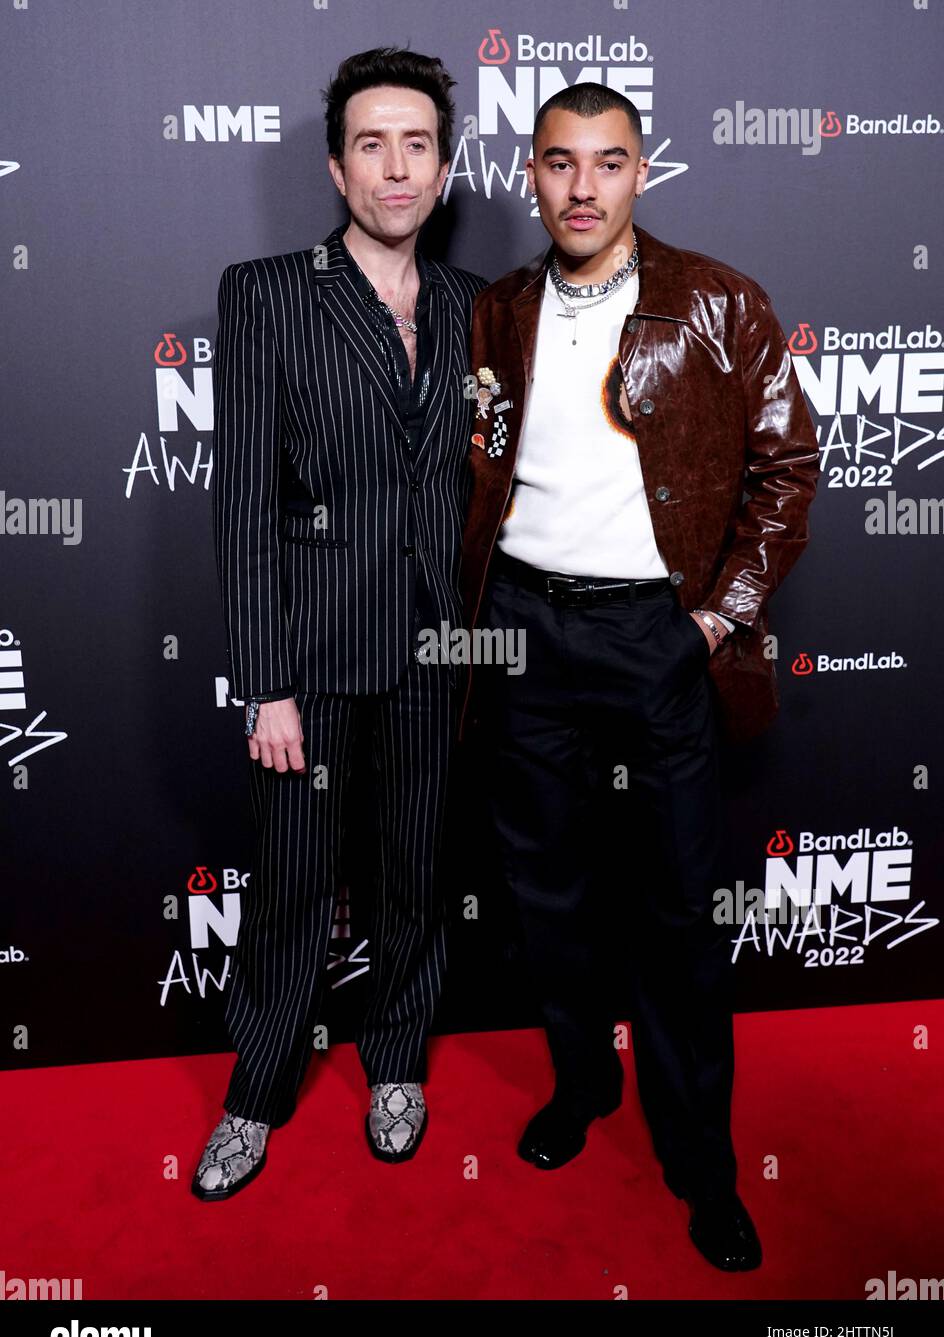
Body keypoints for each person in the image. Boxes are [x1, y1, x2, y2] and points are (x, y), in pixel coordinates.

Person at [459, 83, 820, 1270]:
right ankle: (580, 1088)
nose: (580, 188)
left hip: (653, 640)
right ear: (529, 174)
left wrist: (714, 621)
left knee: (672, 915)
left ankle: (701, 1164)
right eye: (558, 164)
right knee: (548, 897)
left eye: (605, 164)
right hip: (519, 629)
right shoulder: (499, 308)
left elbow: (786, 468)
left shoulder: (719, 301)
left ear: (641, 173)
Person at [192, 47, 487, 1200]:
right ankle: (257, 1089)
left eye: (415, 142)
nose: (395, 165)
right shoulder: (266, 291)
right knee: (292, 885)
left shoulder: (475, 308)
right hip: (310, 659)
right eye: (372, 143)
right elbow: (243, 507)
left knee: (415, 872)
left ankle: (397, 1063)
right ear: (335, 165)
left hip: (439, 653)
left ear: (445, 166)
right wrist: (263, 683)